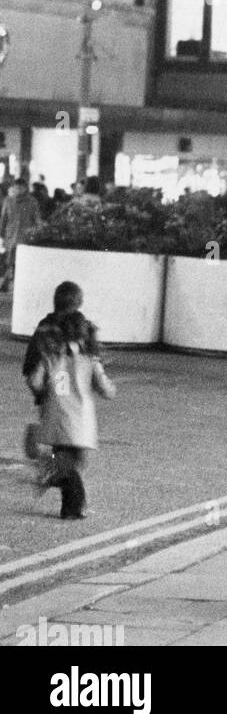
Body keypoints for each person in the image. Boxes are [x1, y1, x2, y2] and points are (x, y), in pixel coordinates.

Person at [24, 281, 115, 519]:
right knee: (75, 464)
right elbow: (104, 387)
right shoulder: (89, 352)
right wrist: (107, 387)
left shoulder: (48, 346)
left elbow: (33, 378)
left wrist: (43, 394)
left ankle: (55, 479)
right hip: (80, 419)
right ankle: (72, 506)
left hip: (54, 411)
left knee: (67, 463)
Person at [0, 176, 40, 291]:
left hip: (25, 238)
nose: (18, 190)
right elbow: (3, 219)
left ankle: (13, 283)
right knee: (8, 261)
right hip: (10, 236)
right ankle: (8, 282)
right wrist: (1, 236)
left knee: (21, 262)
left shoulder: (32, 202)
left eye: (20, 187)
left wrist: (35, 232)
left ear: (25, 188)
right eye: (16, 187)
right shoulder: (8, 200)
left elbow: (37, 220)